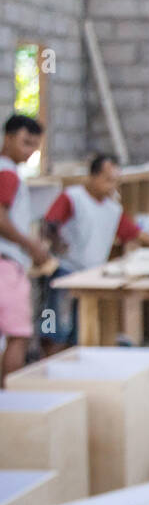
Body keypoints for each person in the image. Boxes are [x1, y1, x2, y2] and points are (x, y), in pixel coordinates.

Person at [39, 153, 149, 354]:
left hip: (91, 277)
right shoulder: (73, 197)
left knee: (80, 331)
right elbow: (50, 222)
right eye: (107, 180)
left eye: (115, 181)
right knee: (54, 327)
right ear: (93, 176)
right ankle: (47, 368)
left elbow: (136, 234)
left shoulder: (112, 210)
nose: (111, 186)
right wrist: (56, 241)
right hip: (64, 272)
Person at [0, 114, 51, 385]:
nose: (29, 151)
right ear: (8, 138)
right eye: (25, 142)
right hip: (6, 265)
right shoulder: (7, 172)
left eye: (35, 146)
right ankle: (12, 409)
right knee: (18, 336)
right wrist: (31, 245)